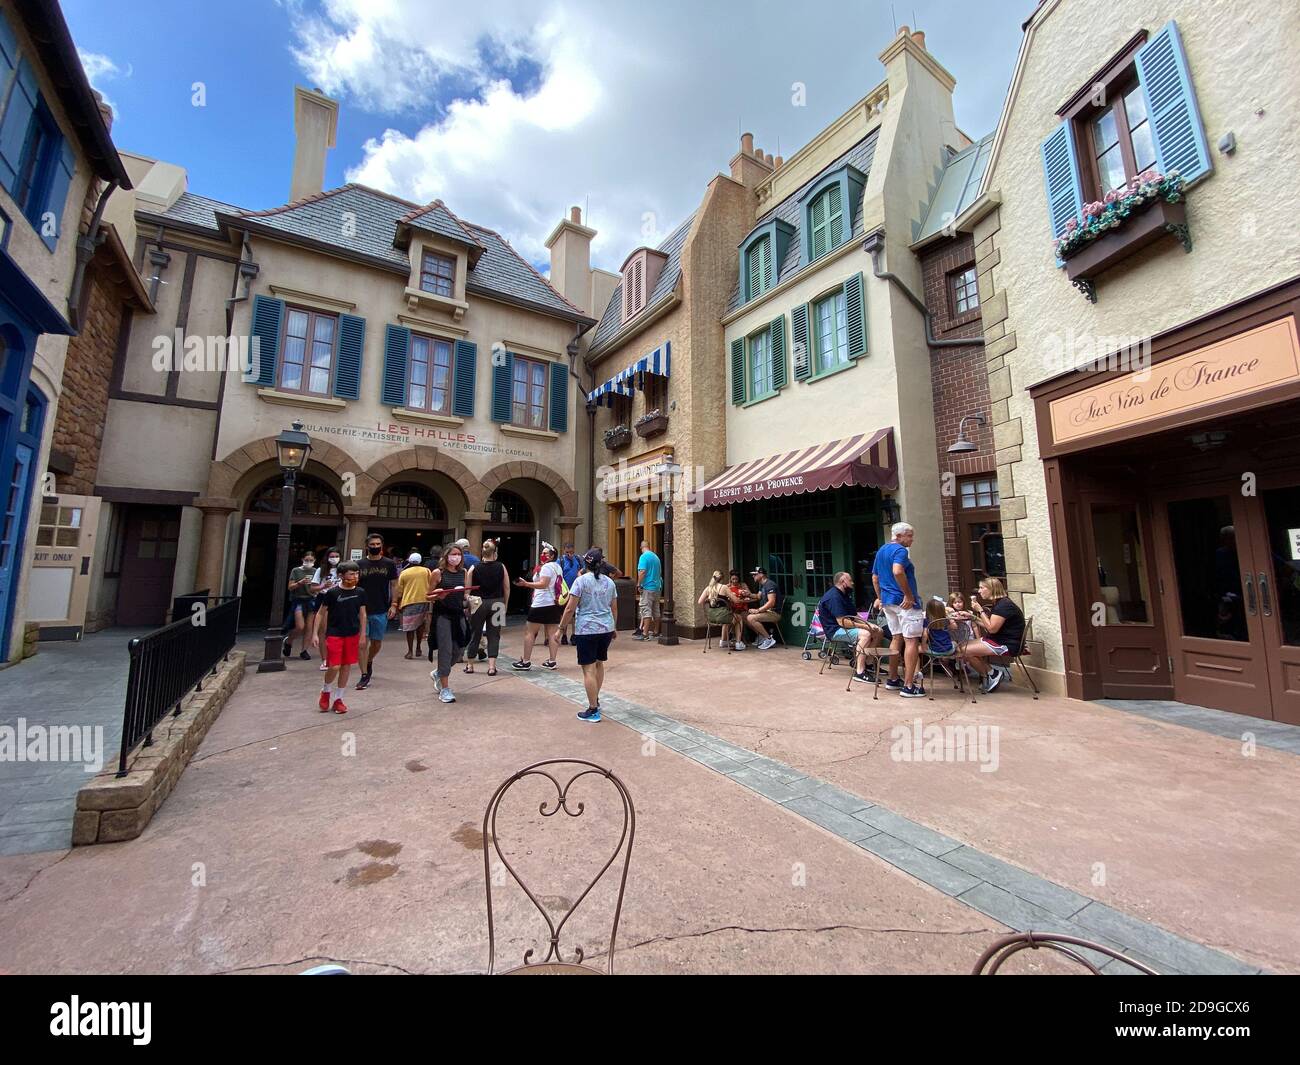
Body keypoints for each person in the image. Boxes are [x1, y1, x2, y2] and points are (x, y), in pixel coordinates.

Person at [561, 547, 618, 723]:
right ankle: (596, 699)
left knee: (588, 669)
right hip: (606, 628)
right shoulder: (610, 582)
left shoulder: (581, 581)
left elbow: (570, 608)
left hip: (587, 629)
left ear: (585, 563)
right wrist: (613, 627)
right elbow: (614, 608)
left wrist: (561, 628)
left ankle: (593, 709)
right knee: (599, 664)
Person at [871, 522, 925, 698]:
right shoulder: (901, 551)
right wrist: (909, 596)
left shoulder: (881, 551)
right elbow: (898, 571)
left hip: (888, 602)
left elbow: (875, 578)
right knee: (911, 641)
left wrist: (880, 597)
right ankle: (909, 686)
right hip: (904, 604)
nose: (912, 538)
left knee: (896, 637)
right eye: (909, 535)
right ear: (899, 536)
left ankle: (894, 679)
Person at [311, 561, 366, 714]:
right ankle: (326, 690)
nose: (354, 577)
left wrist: (362, 634)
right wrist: (315, 633)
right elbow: (321, 613)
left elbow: (362, 614)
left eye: (356, 574)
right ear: (341, 575)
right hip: (335, 632)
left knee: (347, 665)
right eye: (351, 574)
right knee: (334, 665)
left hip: (352, 632)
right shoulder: (332, 593)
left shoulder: (360, 592)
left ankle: (338, 698)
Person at [962, 577, 1026, 693]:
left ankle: (992, 674)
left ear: (992, 589)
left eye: (982, 588)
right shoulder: (1000, 603)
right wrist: (972, 617)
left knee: (963, 650)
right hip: (998, 639)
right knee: (962, 646)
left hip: (1006, 644)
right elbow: (990, 625)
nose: (979, 591)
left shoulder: (1004, 606)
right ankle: (990, 674)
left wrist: (980, 610)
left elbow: (991, 629)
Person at [817, 571, 883, 683]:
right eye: (850, 581)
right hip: (835, 631)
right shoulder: (834, 597)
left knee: (879, 631)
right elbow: (842, 622)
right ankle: (860, 672)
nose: (852, 583)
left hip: (845, 627)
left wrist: (869, 624)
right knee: (866, 634)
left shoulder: (844, 595)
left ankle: (869, 663)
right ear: (843, 582)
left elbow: (854, 615)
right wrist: (866, 627)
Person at [427, 544, 470, 703]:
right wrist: (438, 595)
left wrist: (469, 599)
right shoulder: (438, 573)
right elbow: (428, 596)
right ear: (446, 556)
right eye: (453, 554)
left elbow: (464, 593)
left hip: (458, 615)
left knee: (459, 650)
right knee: (445, 650)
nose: (456, 557)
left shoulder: (463, 572)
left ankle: (439, 672)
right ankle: (445, 688)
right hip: (443, 616)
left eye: (459, 554)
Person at [355, 533, 398, 691]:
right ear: (367, 546)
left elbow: (394, 584)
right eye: (372, 544)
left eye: (377, 544)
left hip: (381, 607)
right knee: (362, 643)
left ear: (382, 545)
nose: (375, 547)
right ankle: (364, 675)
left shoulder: (389, 564)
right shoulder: (359, 564)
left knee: (377, 642)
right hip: (362, 608)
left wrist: (394, 604)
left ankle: (369, 661)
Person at [511, 542, 564, 670]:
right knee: (552, 633)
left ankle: (526, 661)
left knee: (530, 632)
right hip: (553, 603)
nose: (542, 554)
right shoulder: (557, 567)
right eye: (542, 552)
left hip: (541, 603)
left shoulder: (546, 568)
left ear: (552, 556)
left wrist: (526, 584)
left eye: (545, 553)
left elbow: (543, 584)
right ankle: (552, 661)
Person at [465, 538, 509, 676]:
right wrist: (505, 604)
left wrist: (468, 603)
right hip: (497, 603)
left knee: (475, 633)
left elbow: (467, 590)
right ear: (494, 553)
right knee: (494, 634)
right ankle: (491, 667)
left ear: (482, 552)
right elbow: (506, 587)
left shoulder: (474, 567)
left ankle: (470, 664)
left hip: (478, 603)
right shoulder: (501, 566)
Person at [282, 549, 318, 660]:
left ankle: (304, 650)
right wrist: (300, 583)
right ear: (302, 559)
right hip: (298, 600)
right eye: (306, 560)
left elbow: (317, 585)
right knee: (300, 626)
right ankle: (289, 640)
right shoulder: (296, 571)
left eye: (311, 560)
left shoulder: (316, 571)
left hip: (311, 599)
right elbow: (290, 586)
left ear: (314, 560)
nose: (309, 562)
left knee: (309, 627)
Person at [394, 552, 431, 659]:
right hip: (424, 600)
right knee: (420, 626)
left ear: (409, 561)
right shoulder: (427, 571)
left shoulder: (404, 573)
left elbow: (399, 590)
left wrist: (397, 603)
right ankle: (418, 647)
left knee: (409, 628)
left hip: (409, 602)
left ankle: (410, 651)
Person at [312, 548, 343, 672]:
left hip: (340, 598)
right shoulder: (321, 570)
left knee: (339, 630)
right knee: (324, 631)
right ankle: (325, 659)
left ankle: (337, 657)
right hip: (324, 597)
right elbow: (313, 588)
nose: (334, 558)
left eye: (336, 556)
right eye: (332, 556)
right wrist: (323, 586)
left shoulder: (343, 569)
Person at [698, 570, 740, 647]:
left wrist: (711, 599)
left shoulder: (708, 588)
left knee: (726, 617)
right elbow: (736, 601)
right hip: (722, 616)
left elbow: (700, 601)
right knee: (738, 617)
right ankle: (738, 643)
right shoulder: (724, 587)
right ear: (722, 578)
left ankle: (723, 641)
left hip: (711, 617)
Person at [744, 566, 782, 650]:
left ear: (761, 575)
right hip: (767, 612)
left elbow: (771, 602)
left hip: (774, 613)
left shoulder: (769, 584)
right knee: (745, 617)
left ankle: (768, 639)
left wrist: (758, 610)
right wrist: (748, 594)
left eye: (755, 574)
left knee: (750, 618)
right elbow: (758, 596)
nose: (753, 576)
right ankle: (762, 636)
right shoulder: (762, 585)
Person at [634, 540, 663, 640]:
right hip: (657, 587)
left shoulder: (643, 557)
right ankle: (656, 631)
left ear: (641, 548)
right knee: (656, 610)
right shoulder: (656, 557)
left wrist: (639, 584)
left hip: (647, 587)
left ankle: (645, 633)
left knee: (646, 609)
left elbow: (642, 571)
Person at [557, 543, 582, 645]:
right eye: (567, 553)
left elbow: (583, 570)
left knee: (575, 614)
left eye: (571, 552)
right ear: (564, 551)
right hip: (565, 591)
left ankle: (574, 635)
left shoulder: (578, 560)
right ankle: (564, 635)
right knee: (564, 613)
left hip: (576, 590)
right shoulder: (561, 561)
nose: (569, 555)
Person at [726, 569, 752, 649]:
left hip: (742, 607)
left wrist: (745, 594)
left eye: (736, 579)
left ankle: (743, 639)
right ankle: (735, 639)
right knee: (734, 618)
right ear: (730, 578)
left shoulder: (743, 585)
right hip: (732, 608)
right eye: (733, 579)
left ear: (739, 579)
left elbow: (750, 595)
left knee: (745, 617)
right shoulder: (727, 587)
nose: (734, 581)